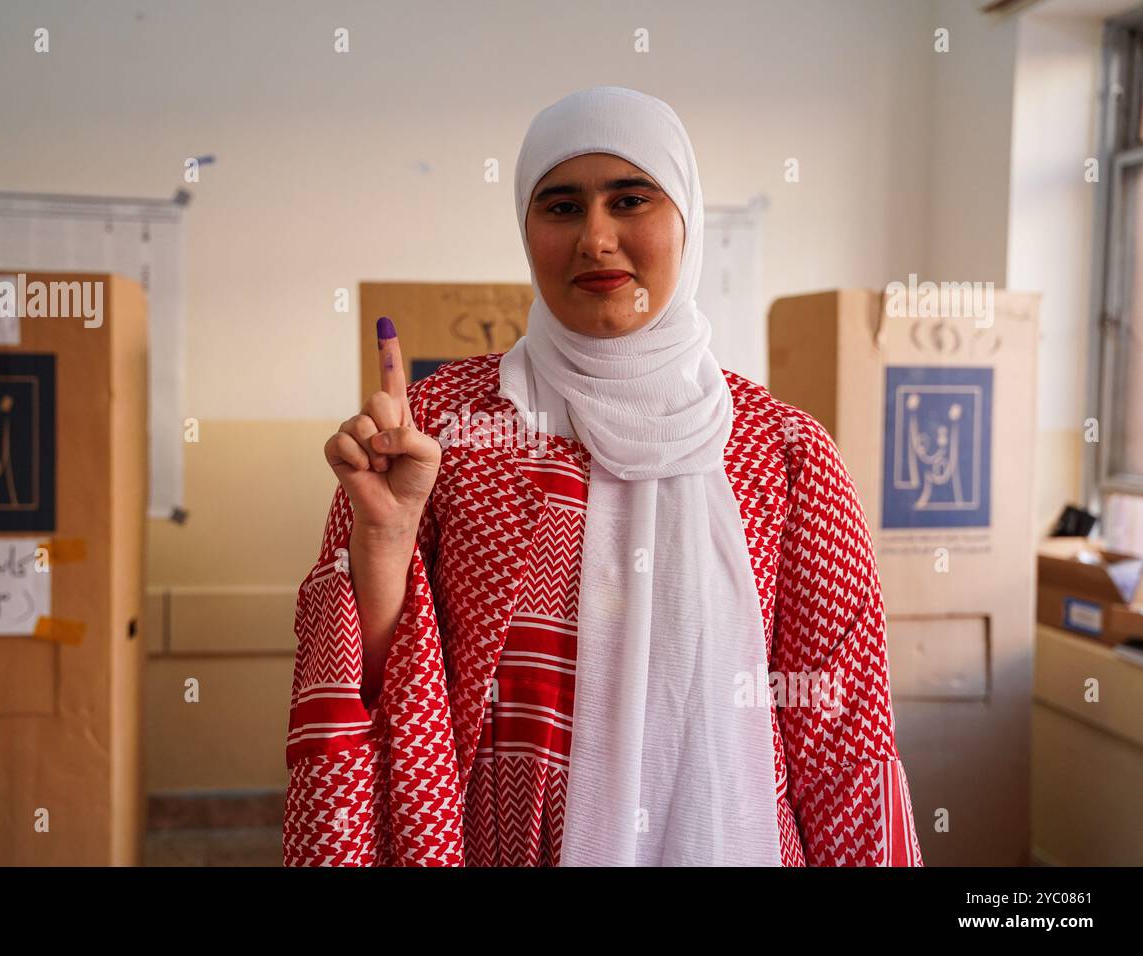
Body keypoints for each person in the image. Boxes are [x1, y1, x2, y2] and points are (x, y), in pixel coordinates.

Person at [283, 85, 923, 867]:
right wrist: (384, 541)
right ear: (526, 230)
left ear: (685, 218)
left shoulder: (784, 452)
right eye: (561, 207)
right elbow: (370, 696)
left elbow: (844, 743)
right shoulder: (439, 429)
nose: (595, 239)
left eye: (630, 200)